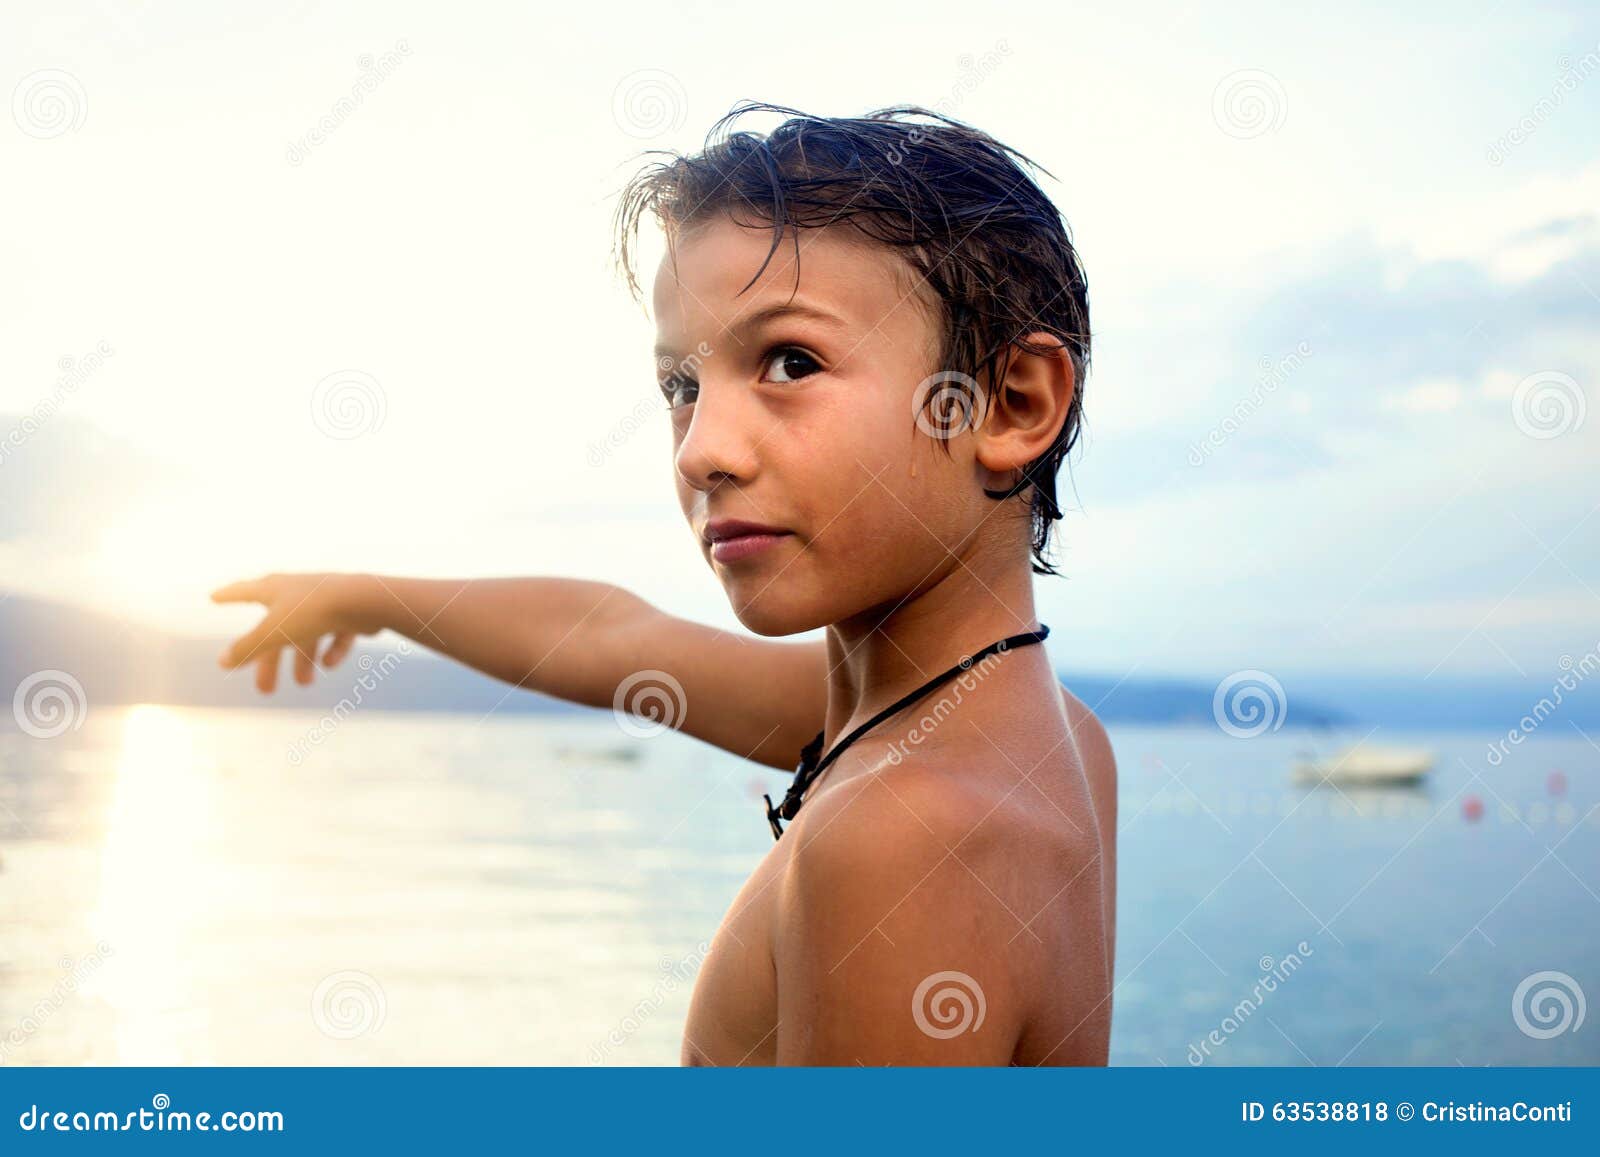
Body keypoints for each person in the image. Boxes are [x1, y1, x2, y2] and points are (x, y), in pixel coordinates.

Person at [214, 103, 1116, 1065]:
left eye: (790, 361)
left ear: (1014, 402)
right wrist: (363, 596)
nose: (702, 451)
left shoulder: (901, 833)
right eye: (682, 387)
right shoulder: (1009, 732)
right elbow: (613, 640)